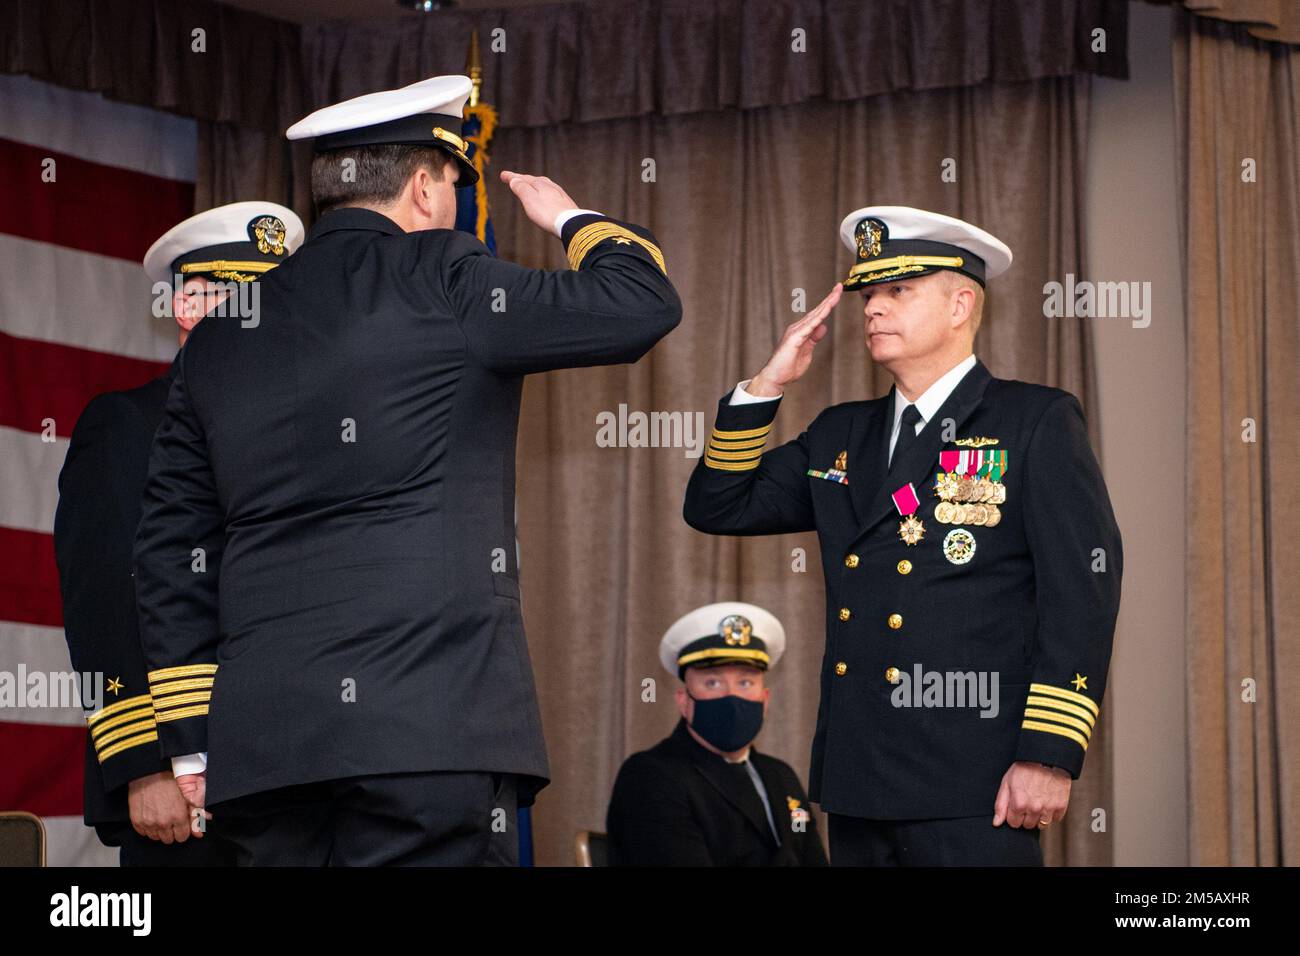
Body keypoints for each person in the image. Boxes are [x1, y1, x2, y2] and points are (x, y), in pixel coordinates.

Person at [133, 74, 682, 866]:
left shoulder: (222, 334)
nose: (457, 201)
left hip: (265, 745)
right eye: (457, 182)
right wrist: (571, 217)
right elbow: (642, 302)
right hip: (429, 725)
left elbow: (169, 551)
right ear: (424, 188)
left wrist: (190, 743)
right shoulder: (448, 278)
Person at [682, 206, 1122, 865]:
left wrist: (1049, 755)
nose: (873, 309)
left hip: (977, 779)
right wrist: (763, 387)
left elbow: (1082, 591)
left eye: (899, 291)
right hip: (859, 777)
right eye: (869, 294)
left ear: (961, 303)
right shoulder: (840, 434)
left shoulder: (1033, 421)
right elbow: (719, 505)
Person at [53, 201, 304, 866]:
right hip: (182, 789)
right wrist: (145, 763)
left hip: (296, 778)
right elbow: (104, 600)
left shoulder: (303, 438)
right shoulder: (128, 425)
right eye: (251, 302)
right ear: (190, 307)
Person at [606, 602, 827, 866]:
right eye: (713, 682)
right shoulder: (650, 776)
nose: (731, 697)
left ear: (765, 699)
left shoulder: (781, 776)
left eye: (745, 682)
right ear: (684, 701)